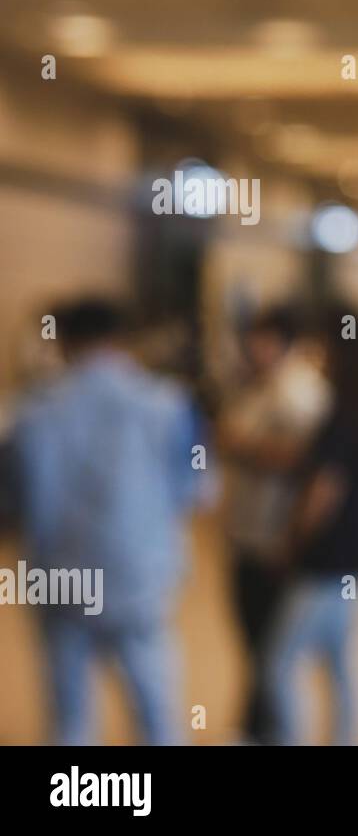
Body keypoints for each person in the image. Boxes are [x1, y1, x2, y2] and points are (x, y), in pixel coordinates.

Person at [11, 298, 202, 744]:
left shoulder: (31, 412)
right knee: (156, 708)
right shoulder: (168, 403)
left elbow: (16, 501)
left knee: (70, 716)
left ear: (62, 342)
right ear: (123, 340)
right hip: (140, 572)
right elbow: (195, 490)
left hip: (60, 575)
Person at [264, 307, 358, 745]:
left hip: (328, 557)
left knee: (280, 663)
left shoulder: (342, 411)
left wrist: (292, 539)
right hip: (357, 549)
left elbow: (325, 488)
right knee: (341, 662)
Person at [217, 306, 330, 743]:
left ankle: (269, 731)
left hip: (276, 535)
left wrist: (245, 446)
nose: (255, 349)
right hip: (245, 530)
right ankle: (252, 726)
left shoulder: (302, 392)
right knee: (253, 640)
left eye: (265, 341)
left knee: (273, 646)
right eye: (253, 340)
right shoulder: (255, 387)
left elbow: (309, 461)